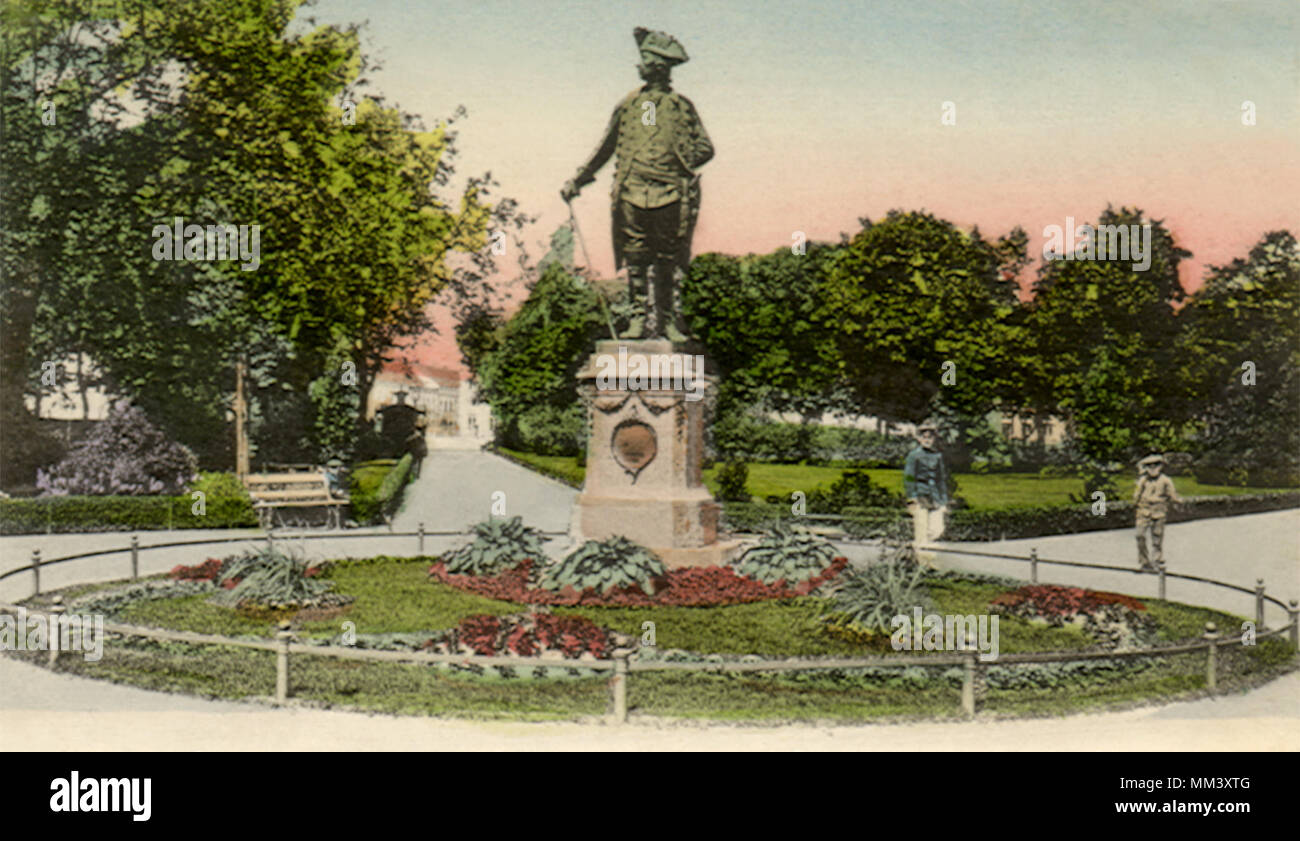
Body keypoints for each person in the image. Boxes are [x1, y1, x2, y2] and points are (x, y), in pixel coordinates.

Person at [561, 27, 714, 341]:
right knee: (636, 257)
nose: (639, 65)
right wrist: (578, 180)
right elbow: (606, 147)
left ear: (659, 65)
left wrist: (679, 166)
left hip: (670, 193)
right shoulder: (634, 105)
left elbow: (705, 148)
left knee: (666, 259)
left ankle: (668, 322)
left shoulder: (682, 107)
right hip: (632, 191)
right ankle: (637, 319)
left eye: (644, 59)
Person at [903, 422, 949, 565]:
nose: (927, 440)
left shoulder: (937, 456)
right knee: (921, 529)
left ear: (934, 439)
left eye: (930, 437)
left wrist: (943, 500)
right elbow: (909, 478)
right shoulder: (914, 455)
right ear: (919, 438)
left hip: (934, 495)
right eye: (924, 437)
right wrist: (912, 498)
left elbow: (941, 478)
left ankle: (920, 549)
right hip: (920, 494)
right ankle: (925, 563)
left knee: (937, 529)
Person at [1133, 453, 1180, 570]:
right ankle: (1144, 560)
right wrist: (1136, 504)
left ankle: (1156, 559)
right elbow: (1136, 495)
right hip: (1144, 511)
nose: (1152, 468)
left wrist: (1177, 501)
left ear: (1160, 467)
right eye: (1149, 466)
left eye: (1155, 465)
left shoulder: (1165, 480)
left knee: (1157, 537)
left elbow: (1172, 495)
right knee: (1140, 535)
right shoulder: (1143, 480)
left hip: (1159, 511)